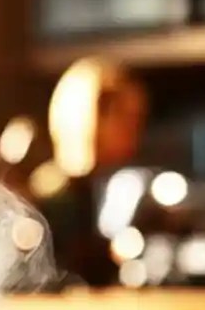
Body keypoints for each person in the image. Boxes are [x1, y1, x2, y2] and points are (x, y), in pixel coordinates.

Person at [37, 57, 148, 287]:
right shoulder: (55, 196)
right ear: (92, 117)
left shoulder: (99, 187)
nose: (136, 132)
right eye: (128, 119)